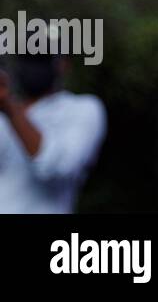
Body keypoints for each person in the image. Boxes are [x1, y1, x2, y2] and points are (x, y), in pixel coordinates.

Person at [0, 52, 107, 213]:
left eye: (41, 59)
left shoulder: (82, 109)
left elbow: (56, 167)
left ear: (64, 63)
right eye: (27, 58)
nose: (32, 67)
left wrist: (9, 107)